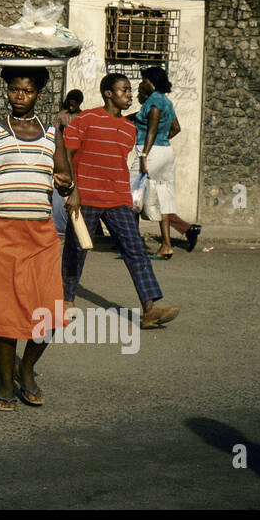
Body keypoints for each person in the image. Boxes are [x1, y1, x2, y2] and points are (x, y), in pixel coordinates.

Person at [0, 66, 71, 411]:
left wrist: (69, 185)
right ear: (7, 91)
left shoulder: (54, 134)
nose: (19, 96)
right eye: (14, 89)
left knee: (49, 313)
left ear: (39, 93)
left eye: (26, 90)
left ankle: (27, 368)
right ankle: (6, 382)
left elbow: (66, 176)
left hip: (40, 234)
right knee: (5, 313)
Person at [59, 73, 181, 329]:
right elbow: (67, 154)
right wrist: (73, 190)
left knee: (135, 251)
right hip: (85, 197)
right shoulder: (86, 119)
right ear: (108, 93)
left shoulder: (129, 129)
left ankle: (149, 309)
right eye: (124, 90)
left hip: (118, 199)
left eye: (129, 90)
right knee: (75, 249)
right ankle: (66, 301)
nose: (130, 94)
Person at [132, 66, 201, 257]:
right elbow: (176, 127)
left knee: (132, 197)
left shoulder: (154, 101)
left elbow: (152, 128)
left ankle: (133, 246)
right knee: (164, 200)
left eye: (144, 80)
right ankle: (166, 245)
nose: (142, 83)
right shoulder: (167, 101)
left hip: (149, 152)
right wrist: (161, 143)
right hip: (165, 152)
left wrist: (145, 155)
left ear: (151, 81)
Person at [50, 90, 84, 235]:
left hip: (79, 154)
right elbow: (54, 134)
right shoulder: (61, 116)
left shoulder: (83, 117)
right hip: (64, 154)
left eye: (74, 105)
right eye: (69, 105)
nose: (71, 108)